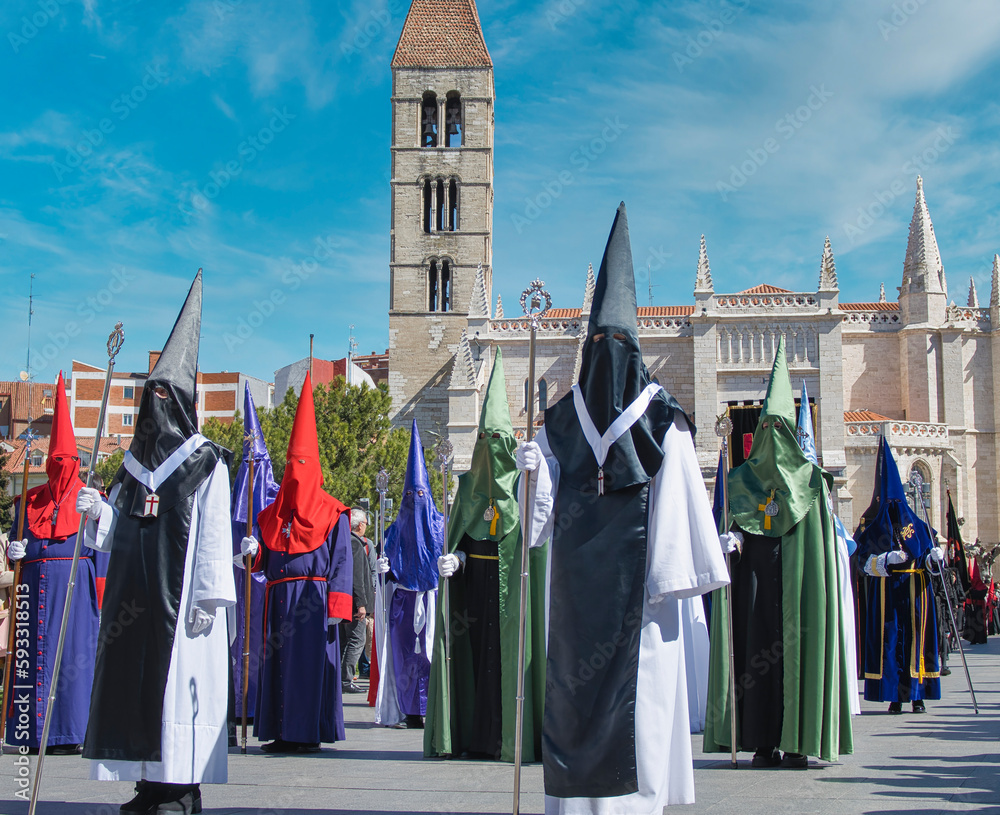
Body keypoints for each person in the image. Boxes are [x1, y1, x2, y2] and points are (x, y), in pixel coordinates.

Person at [516, 203, 731, 813]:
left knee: (640, 723)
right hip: (577, 610)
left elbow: (675, 511)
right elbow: (541, 525)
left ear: (630, 350)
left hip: (642, 613)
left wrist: (662, 583)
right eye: (600, 344)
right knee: (578, 712)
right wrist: (532, 477)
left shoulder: (664, 420)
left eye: (616, 344)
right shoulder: (560, 422)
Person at [76, 271, 236, 814]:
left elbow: (215, 530)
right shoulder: (131, 467)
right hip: (136, 607)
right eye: (152, 393)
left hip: (185, 604)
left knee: (176, 693)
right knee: (139, 686)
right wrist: (96, 511)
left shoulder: (207, 461)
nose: (157, 402)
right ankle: (149, 783)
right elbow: (116, 532)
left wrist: (212, 596)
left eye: (167, 394)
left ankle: (180, 788)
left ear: (184, 401)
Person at [704, 336, 854, 769]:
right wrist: (730, 539)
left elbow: (820, 546)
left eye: (779, 428)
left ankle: (797, 741)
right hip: (754, 587)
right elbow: (734, 525)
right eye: (765, 427)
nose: (772, 436)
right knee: (755, 659)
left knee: (796, 657)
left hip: (797, 583)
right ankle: (761, 740)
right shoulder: (741, 480)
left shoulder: (812, 481)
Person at [425, 346, 546, 761]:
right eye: (484, 439)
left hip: (511, 589)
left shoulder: (522, 486)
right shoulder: (465, 489)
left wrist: (537, 475)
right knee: (477, 661)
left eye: (499, 440)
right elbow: (460, 538)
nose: (491, 447)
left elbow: (540, 527)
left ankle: (510, 737)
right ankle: (477, 737)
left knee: (508, 661)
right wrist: (453, 560)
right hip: (474, 592)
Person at [243, 371, 353, 753]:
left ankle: (306, 734)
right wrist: (252, 554)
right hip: (277, 601)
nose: (295, 473)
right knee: (276, 668)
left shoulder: (334, 512)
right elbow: (261, 561)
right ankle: (278, 730)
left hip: (314, 601)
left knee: (308, 668)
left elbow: (342, 561)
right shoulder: (271, 515)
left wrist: (338, 605)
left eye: (302, 465)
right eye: (292, 464)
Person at [4, 371, 106, 755]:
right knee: (31, 655)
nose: (61, 465)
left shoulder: (91, 499)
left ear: (76, 461)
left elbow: (103, 551)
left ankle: (71, 732)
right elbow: (18, 544)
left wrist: (100, 601)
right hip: (34, 588)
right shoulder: (28, 501)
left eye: (67, 459)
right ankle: (30, 732)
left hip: (76, 593)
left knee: (73, 660)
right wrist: (17, 553)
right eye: (56, 459)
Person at [854, 436, 942, 713]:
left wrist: (934, 558)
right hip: (887, 591)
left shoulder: (917, 524)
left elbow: (929, 556)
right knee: (890, 641)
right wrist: (884, 560)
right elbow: (861, 562)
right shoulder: (871, 528)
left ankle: (918, 695)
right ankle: (894, 695)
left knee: (917, 640)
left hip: (916, 587)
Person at [374, 420, 443, 730]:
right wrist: (382, 570)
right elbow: (385, 567)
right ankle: (410, 710)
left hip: (431, 599)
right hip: (403, 600)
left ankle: (434, 707)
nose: (414, 501)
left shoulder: (441, 526)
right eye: (409, 496)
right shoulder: (392, 530)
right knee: (404, 656)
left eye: (419, 494)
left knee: (431, 654)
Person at [230, 384, 278, 729]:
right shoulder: (233, 495)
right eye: (248, 462)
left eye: (258, 462)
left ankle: (264, 704)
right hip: (235, 584)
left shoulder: (277, 498)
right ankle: (238, 704)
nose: (253, 468)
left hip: (267, 584)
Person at [341, 507, 374, 693]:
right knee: (356, 640)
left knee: (347, 640)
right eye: (366, 524)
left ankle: (342, 679)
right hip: (354, 604)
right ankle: (345, 680)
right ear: (360, 525)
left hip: (349, 602)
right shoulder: (355, 544)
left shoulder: (347, 542)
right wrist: (361, 603)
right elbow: (357, 577)